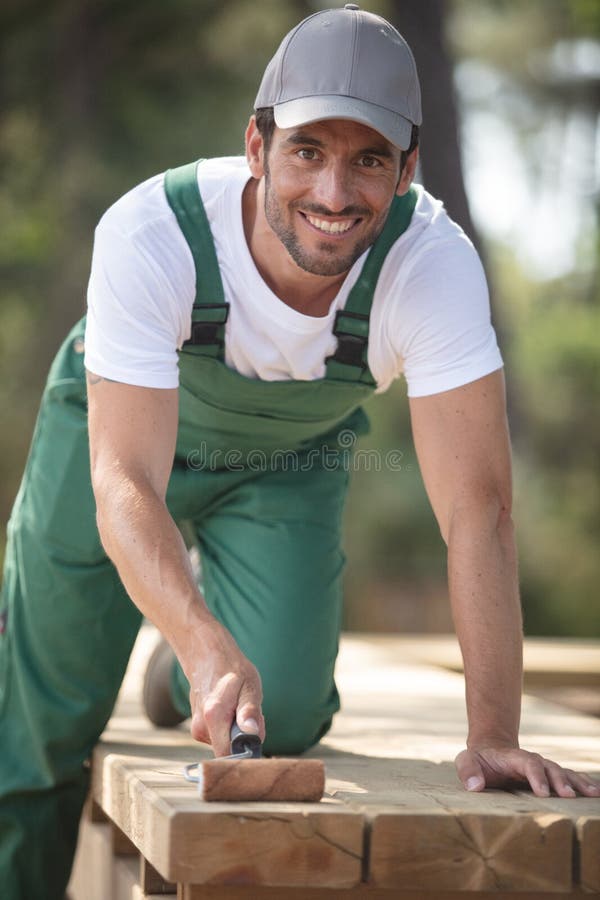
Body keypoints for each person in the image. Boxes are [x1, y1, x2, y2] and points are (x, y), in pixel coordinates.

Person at [1, 5, 599, 898]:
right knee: (39, 726)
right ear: (256, 146)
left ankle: (175, 669)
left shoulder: (431, 266)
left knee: (283, 710)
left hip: (289, 464)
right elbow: (124, 479)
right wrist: (210, 644)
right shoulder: (151, 235)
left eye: (368, 160)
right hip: (121, 451)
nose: (332, 193)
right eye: (308, 151)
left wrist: (495, 731)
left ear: (407, 171)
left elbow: (478, 509)